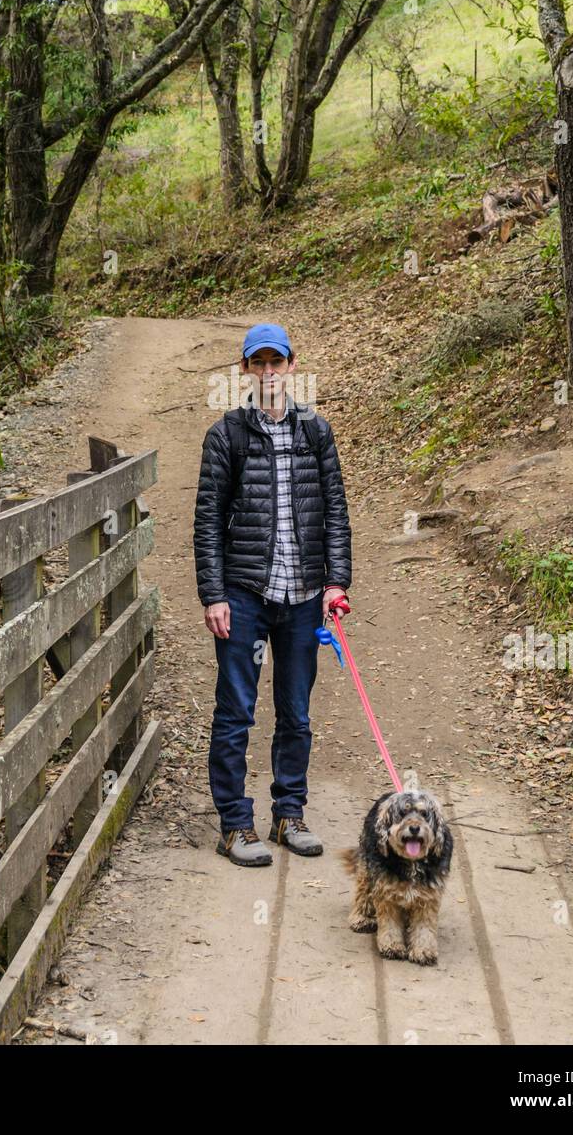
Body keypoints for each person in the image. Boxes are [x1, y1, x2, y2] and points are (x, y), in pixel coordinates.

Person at [193, 322, 352, 865]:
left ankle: (289, 813)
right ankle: (236, 824)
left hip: (304, 593)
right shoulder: (227, 436)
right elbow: (208, 521)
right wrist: (213, 594)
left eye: (275, 363)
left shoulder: (316, 432)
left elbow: (336, 511)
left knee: (296, 712)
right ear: (245, 370)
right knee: (235, 709)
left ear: (290, 366)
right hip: (244, 592)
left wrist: (337, 583)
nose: (267, 372)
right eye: (257, 363)